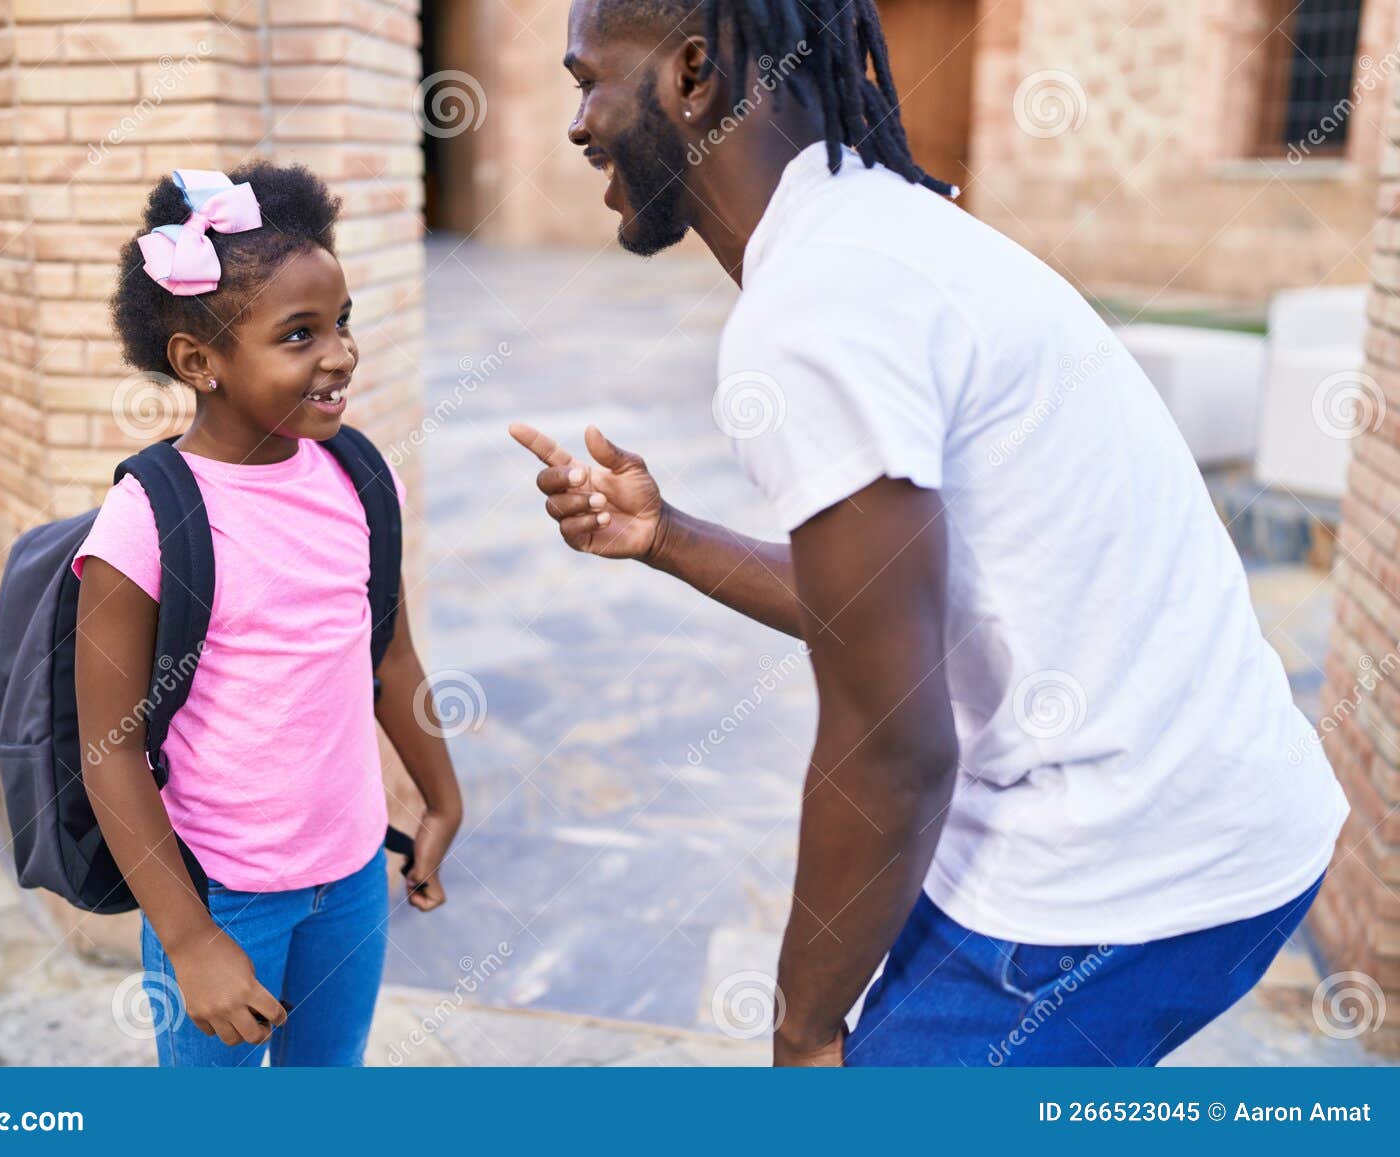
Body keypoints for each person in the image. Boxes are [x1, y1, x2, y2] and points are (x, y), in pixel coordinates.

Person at [511, 0, 1349, 1067]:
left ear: (689, 78)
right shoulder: (878, 230)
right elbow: (900, 620)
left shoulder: (816, 306)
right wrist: (668, 535)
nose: (578, 120)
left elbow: (893, 747)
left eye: (588, 78)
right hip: (1212, 809)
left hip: (1128, 870)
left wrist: (802, 1028)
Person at [74, 162, 464, 1067]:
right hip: (222, 898)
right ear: (198, 361)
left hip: (355, 877)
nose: (340, 354)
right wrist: (191, 939)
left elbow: (388, 653)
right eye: (299, 334)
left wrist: (441, 795)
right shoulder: (148, 518)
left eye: (342, 322)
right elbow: (109, 749)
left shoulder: (360, 478)